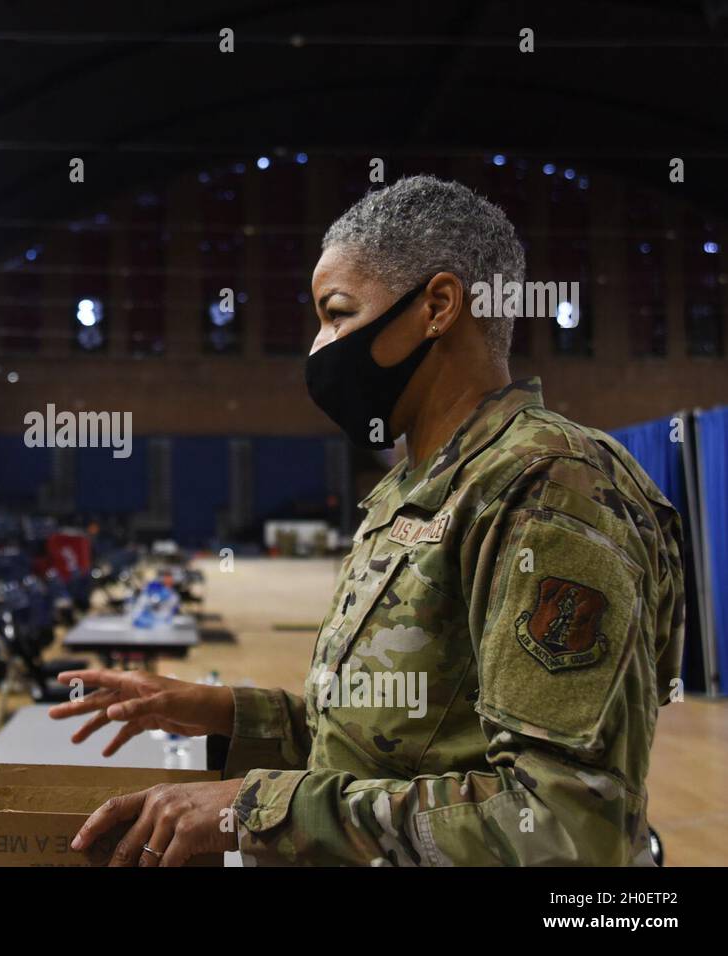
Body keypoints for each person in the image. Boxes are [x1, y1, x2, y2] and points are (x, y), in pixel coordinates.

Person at [50, 175, 684, 867]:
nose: (321, 348)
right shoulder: (409, 491)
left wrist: (254, 812)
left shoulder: (546, 486)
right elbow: (387, 740)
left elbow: (561, 825)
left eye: (338, 314)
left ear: (437, 306)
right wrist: (224, 711)